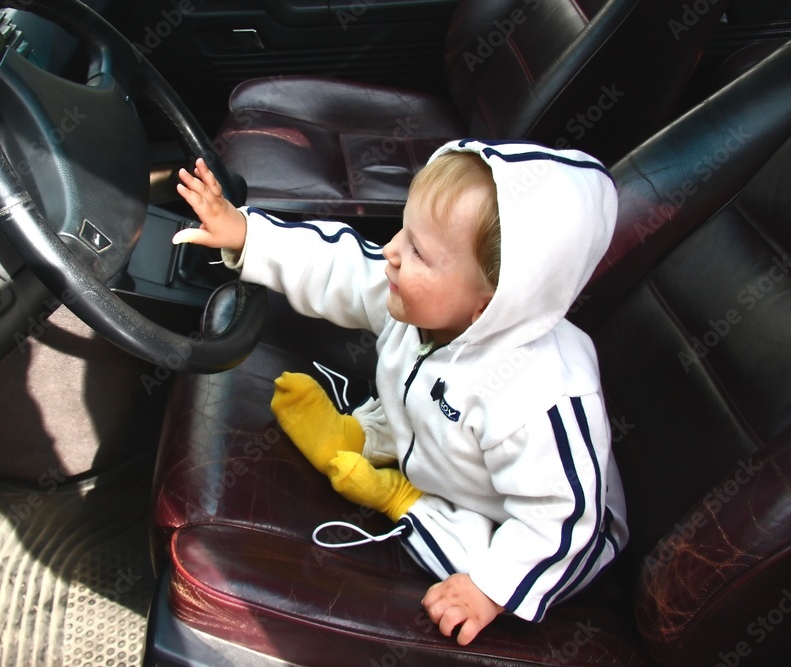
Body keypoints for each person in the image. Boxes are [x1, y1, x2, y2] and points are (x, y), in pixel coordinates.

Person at [172, 139, 629, 645]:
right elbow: (340, 267)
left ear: (490, 302)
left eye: (417, 250)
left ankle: (405, 499)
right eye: (403, 231)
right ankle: (371, 438)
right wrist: (246, 235)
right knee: (410, 406)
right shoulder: (425, 298)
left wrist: (490, 589)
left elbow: (563, 518)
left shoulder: (541, 396)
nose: (390, 252)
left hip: (536, 524)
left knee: (472, 557)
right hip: (443, 448)